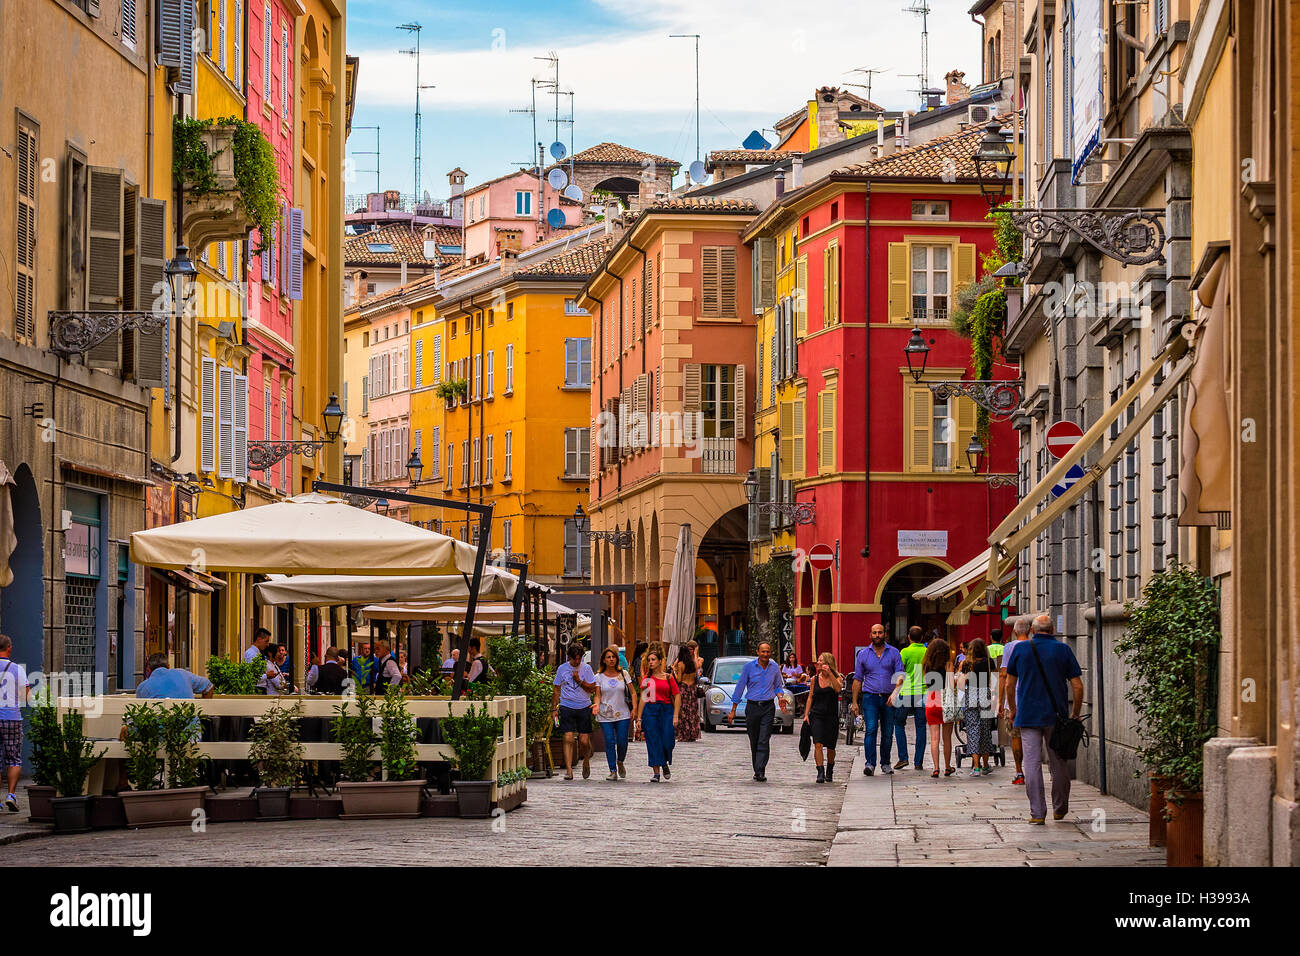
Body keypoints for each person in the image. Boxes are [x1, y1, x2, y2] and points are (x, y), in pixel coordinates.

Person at [1005, 613, 1084, 824]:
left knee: (1031, 763)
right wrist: (1075, 713)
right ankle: (1060, 808)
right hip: (1056, 716)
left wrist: (1013, 709)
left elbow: (1009, 685)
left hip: (1028, 715)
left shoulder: (1020, 649)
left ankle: (1037, 813)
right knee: (1058, 763)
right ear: (1053, 630)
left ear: (1032, 630)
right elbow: (1077, 686)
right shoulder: (1063, 649)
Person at [727, 641, 788, 782]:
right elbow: (740, 687)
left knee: (764, 739)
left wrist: (780, 697)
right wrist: (733, 710)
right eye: (763, 652)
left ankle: (760, 770)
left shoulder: (774, 668)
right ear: (758, 652)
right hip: (752, 707)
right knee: (754, 739)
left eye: (768, 652)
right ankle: (757, 768)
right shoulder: (749, 667)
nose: (765, 654)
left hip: (768, 707)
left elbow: (778, 686)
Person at [851, 623, 904, 776]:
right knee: (871, 730)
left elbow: (900, 675)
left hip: (889, 698)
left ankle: (885, 763)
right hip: (870, 698)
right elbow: (857, 679)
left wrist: (895, 693)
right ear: (870, 635)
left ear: (884, 634)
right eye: (874, 633)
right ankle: (870, 763)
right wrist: (854, 702)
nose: (877, 635)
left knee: (887, 733)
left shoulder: (894, 653)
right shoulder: (863, 655)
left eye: (880, 632)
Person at [551, 644, 597, 780]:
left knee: (583, 740)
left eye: (579, 658)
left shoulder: (587, 669)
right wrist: (554, 708)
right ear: (569, 657)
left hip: (583, 706)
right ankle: (569, 770)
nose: (577, 662)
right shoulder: (562, 669)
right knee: (568, 737)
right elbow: (556, 689)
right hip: (566, 705)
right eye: (575, 659)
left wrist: (579, 681)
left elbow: (592, 689)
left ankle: (586, 759)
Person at [591, 647, 637, 780]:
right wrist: (597, 705)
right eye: (608, 657)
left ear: (617, 659)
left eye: (613, 657)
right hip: (605, 714)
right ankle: (612, 770)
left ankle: (620, 761)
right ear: (604, 660)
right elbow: (598, 695)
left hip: (622, 713)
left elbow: (633, 692)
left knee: (622, 741)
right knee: (610, 741)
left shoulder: (623, 674)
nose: (611, 659)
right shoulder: (598, 677)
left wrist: (634, 708)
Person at [636, 647, 680, 782]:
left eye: (653, 660)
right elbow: (643, 698)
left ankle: (664, 762)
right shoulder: (647, 678)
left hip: (666, 711)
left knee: (668, 741)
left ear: (660, 661)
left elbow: (677, 696)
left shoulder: (668, 677)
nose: (650, 662)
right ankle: (656, 773)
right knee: (653, 741)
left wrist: (676, 715)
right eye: (649, 660)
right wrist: (639, 718)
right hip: (650, 711)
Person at [998, 616, 1032, 784]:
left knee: (1016, 736)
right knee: (1035, 736)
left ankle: (1019, 773)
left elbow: (1004, 675)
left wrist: (1000, 701)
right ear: (1031, 630)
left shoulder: (1009, 647)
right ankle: (1034, 770)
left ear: (1014, 631)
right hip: (1033, 698)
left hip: (1014, 700)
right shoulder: (1035, 646)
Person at [0, 635, 31, 812]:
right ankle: (11, 794)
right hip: (11, 717)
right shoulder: (17, 669)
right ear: (9, 648)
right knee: (13, 758)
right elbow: (26, 696)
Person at [957, 638, 996, 777]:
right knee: (985, 730)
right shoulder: (990, 663)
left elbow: (961, 686)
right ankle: (985, 765)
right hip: (985, 695)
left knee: (973, 730)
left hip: (971, 695)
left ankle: (976, 767)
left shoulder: (967, 663)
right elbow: (995, 682)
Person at [892, 626, 929, 771]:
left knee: (899, 723)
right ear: (922, 638)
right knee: (921, 727)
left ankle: (903, 757)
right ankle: (918, 762)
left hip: (906, 692)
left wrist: (895, 691)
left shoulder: (904, 652)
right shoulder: (927, 652)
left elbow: (900, 673)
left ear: (909, 637)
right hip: (922, 693)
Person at [804, 652, 843, 783]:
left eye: (821, 661)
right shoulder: (815, 679)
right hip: (816, 715)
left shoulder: (837, 677)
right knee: (818, 743)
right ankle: (820, 771)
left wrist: (830, 673)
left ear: (828, 663)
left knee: (831, 747)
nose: (818, 663)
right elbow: (810, 697)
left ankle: (830, 769)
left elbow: (838, 689)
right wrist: (806, 715)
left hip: (831, 716)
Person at [922, 637, 957, 778]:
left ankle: (936, 768)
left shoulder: (926, 664)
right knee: (947, 738)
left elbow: (926, 684)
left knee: (934, 738)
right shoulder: (948, 664)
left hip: (932, 701)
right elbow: (950, 684)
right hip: (946, 701)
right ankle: (947, 767)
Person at [135, 653, 214, 699]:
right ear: (168, 666)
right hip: (190, 727)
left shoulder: (142, 687)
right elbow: (209, 686)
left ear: (148, 669)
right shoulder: (183, 674)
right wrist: (204, 712)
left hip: (158, 727)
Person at [672, 644, 701, 742]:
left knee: (683, 712)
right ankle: (692, 734)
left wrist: (674, 672)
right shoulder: (693, 663)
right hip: (692, 689)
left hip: (683, 689)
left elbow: (679, 679)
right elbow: (696, 676)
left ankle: (684, 734)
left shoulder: (680, 664)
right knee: (692, 712)